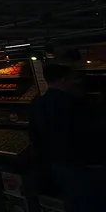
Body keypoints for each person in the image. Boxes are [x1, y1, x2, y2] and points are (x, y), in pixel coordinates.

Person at [29, 64, 103, 212]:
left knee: (72, 199)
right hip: (82, 162)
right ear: (64, 79)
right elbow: (90, 132)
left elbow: (34, 135)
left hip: (57, 162)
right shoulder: (72, 103)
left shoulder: (38, 103)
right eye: (72, 79)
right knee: (92, 201)